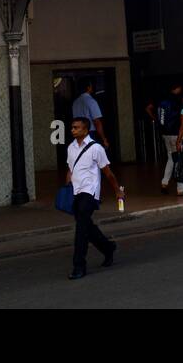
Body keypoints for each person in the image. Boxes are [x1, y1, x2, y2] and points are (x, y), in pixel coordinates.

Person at [65, 116, 122, 280]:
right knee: (86, 226)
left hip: (89, 193)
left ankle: (79, 266)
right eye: (72, 127)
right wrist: (67, 187)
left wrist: (117, 191)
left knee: (81, 230)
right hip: (75, 192)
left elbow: (108, 173)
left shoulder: (96, 148)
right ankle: (108, 247)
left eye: (76, 127)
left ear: (85, 129)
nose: (72, 130)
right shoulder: (71, 148)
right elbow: (70, 169)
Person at [149, 84, 183, 196]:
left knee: (171, 158)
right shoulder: (178, 100)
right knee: (179, 160)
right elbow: (182, 119)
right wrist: (181, 137)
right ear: (176, 88)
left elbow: (156, 114)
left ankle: (164, 183)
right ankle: (180, 188)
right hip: (176, 134)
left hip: (165, 134)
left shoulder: (162, 101)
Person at [72, 79, 106, 144]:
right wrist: (103, 138)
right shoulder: (91, 101)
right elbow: (97, 122)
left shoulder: (75, 102)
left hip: (78, 133)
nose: (92, 87)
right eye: (91, 85)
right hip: (90, 133)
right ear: (88, 87)